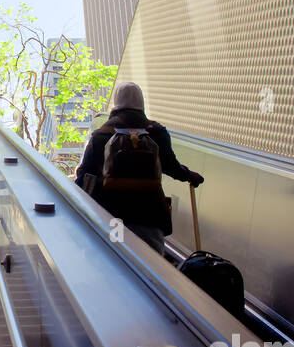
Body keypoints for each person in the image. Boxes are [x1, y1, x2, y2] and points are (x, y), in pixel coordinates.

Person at [75, 81, 203, 254]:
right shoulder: (157, 132)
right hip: (151, 215)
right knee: (153, 268)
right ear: (141, 103)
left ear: (116, 104)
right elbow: (172, 167)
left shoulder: (101, 135)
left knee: (119, 263)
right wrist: (189, 175)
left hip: (113, 216)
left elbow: (84, 175)